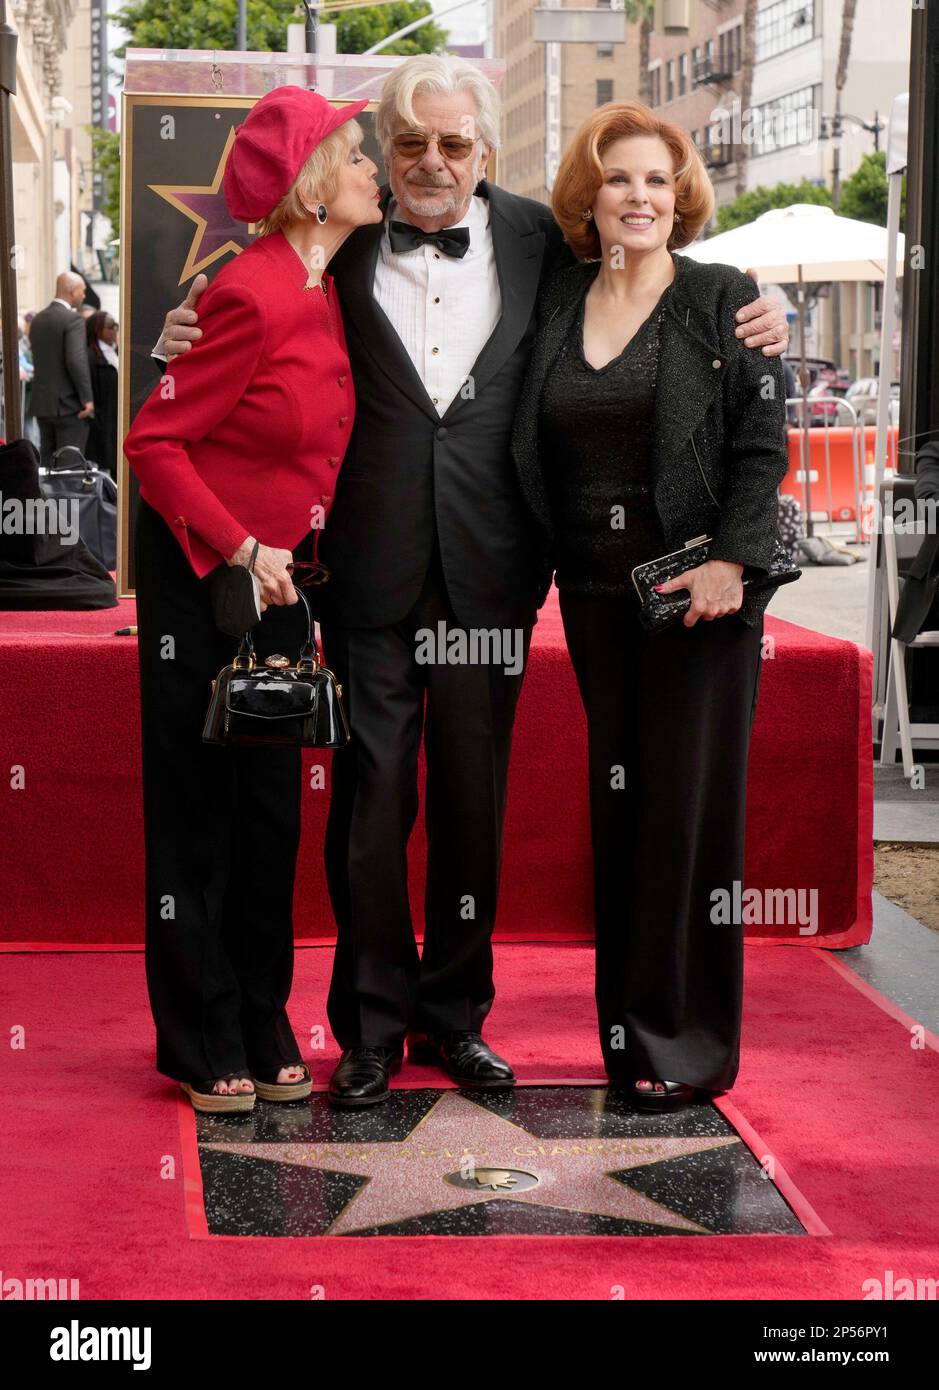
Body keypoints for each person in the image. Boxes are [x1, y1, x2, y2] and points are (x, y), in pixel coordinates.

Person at [158, 56, 790, 1110]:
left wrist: (757, 307)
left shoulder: (544, 237)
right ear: (387, 154)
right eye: (411, 143)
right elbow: (246, 301)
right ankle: (368, 1027)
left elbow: (655, 262)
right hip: (364, 570)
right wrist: (178, 331)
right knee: (368, 811)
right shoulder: (343, 240)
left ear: (486, 153)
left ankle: (456, 1020)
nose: (432, 163)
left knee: (471, 808)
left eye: (455, 144)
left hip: (495, 572)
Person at [512, 102, 790, 1112]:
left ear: (682, 201)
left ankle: (691, 1045)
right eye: (620, 179)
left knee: (688, 817)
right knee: (622, 812)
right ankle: (630, 1038)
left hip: (702, 600)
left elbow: (764, 445)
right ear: (590, 198)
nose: (639, 197)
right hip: (592, 598)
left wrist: (733, 565)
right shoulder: (558, 298)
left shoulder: (724, 298)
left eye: (657, 183)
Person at [124, 87, 380, 1112]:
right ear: (315, 186)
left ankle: (265, 1013)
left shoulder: (326, 279)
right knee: (201, 813)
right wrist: (239, 545)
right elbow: (154, 443)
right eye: (357, 155)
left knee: (271, 814)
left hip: (286, 586)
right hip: (208, 584)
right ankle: (200, 1032)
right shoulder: (251, 290)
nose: (375, 170)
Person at [27, 272, 95, 465]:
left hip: (43, 405)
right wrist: (87, 399)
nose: (84, 295)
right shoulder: (73, 320)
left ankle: (46, 498)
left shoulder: (38, 319)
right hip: (69, 406)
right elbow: (76, 360)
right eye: (82, 291)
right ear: (72, 291)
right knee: (68, 469)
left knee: (47, 466)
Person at [85, 311, 119, 478]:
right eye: (110, 327)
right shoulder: (91, 355)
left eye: (116, 326)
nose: (114, 330)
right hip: (102, 419)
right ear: (98, 330)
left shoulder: (117, 352)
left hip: (117, 417)